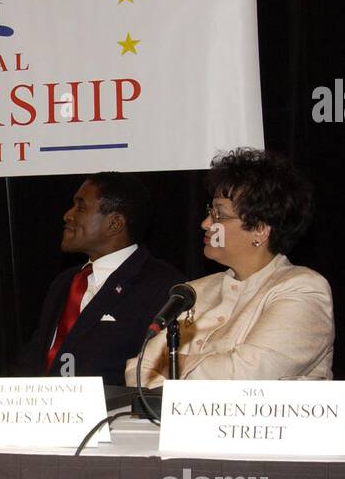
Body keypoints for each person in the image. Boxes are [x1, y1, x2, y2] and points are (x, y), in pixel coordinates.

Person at [127, 148, 333, 386]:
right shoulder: (193, 291)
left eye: (219, 215)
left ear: (259, 230)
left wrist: (174, 365)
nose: (205, 224)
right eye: (209, 212)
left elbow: (247, 376)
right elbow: (138, 370)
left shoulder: (302, 288)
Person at [16, 173, 184, 385]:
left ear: (115, 224)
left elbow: (154, 374)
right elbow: (35, 358)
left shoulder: (162, 285)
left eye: (81, 207)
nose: (68, 215)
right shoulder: (65, 282)